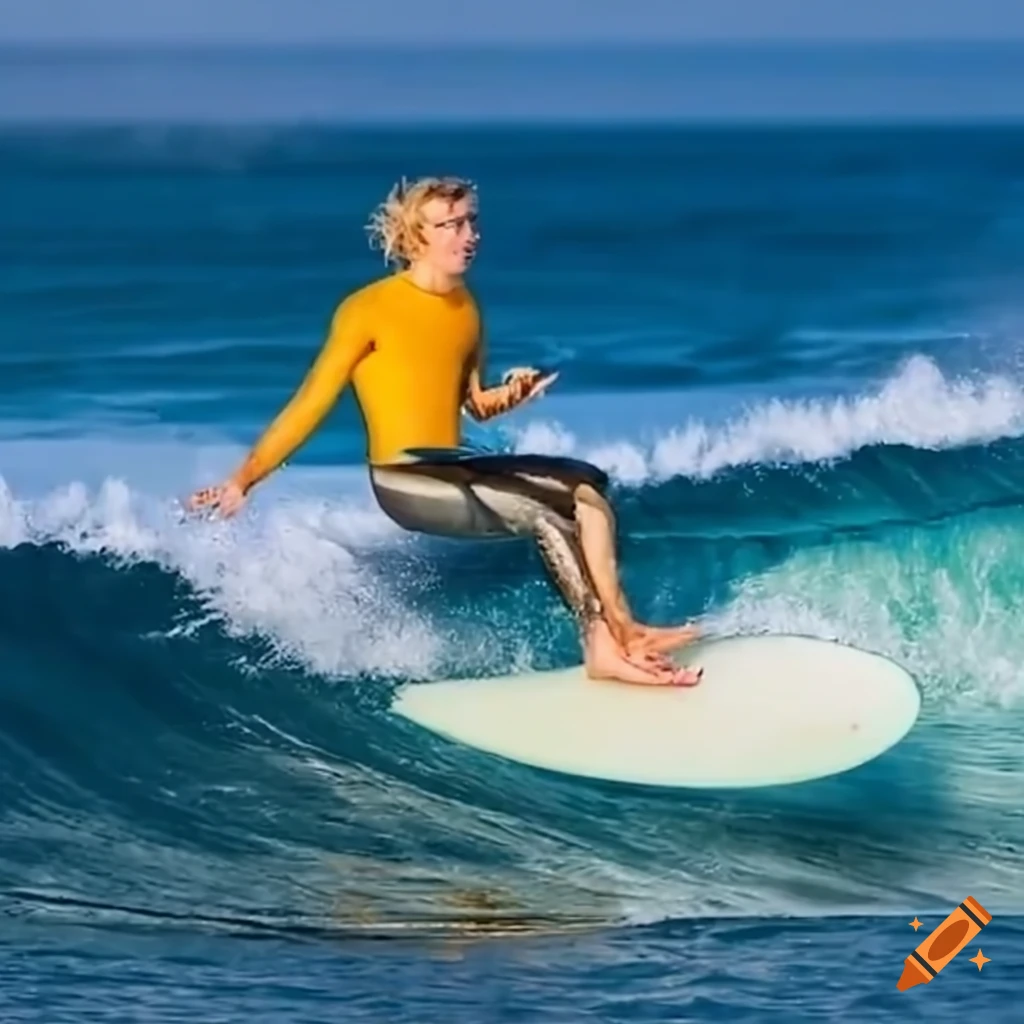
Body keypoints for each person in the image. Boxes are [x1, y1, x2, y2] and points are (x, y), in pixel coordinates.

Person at [187, 176, 701, 686]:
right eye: (450, 225)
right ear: (416, 238)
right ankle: (604, 646)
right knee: (546, 513)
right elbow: (311, 403)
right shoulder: (367, 310)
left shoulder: (466, 309)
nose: (468, 234)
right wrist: (244, 479)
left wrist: (513, 392)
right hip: (404, 479)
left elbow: (475, 404)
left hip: (451, 463)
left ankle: (624, 629)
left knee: (587, 487)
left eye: (471, 220)